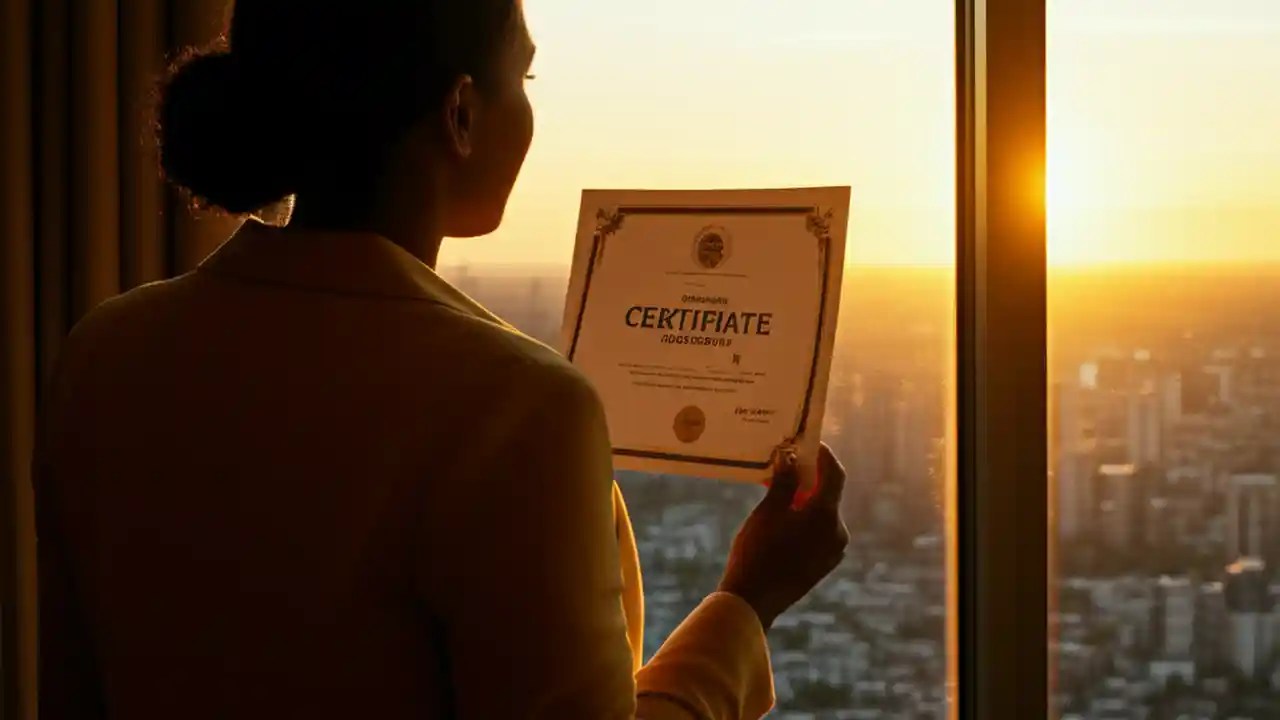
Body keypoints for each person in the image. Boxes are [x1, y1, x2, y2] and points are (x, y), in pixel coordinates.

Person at [33, 1, 850, 718]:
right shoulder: (515, 408)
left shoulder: (105, 354)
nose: (530, 115)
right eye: (524, 80)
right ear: (460, 113)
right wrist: (746, 602)